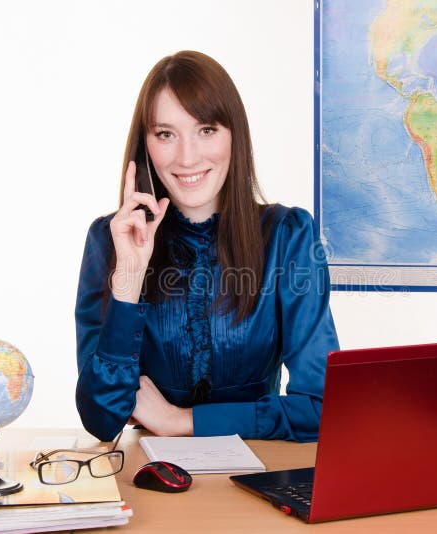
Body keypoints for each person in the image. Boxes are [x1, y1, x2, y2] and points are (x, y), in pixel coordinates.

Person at [75, 50, 339, 443]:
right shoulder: (110, 239)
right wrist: (127, 283)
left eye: (207, 130)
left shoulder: (288, 235)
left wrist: (182, 421)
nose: (187, 157)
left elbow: (323, 408)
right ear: (145, 144)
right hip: (151, 485)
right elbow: (101, 419)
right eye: (166, 134)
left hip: (258, 476)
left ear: (234, 135)